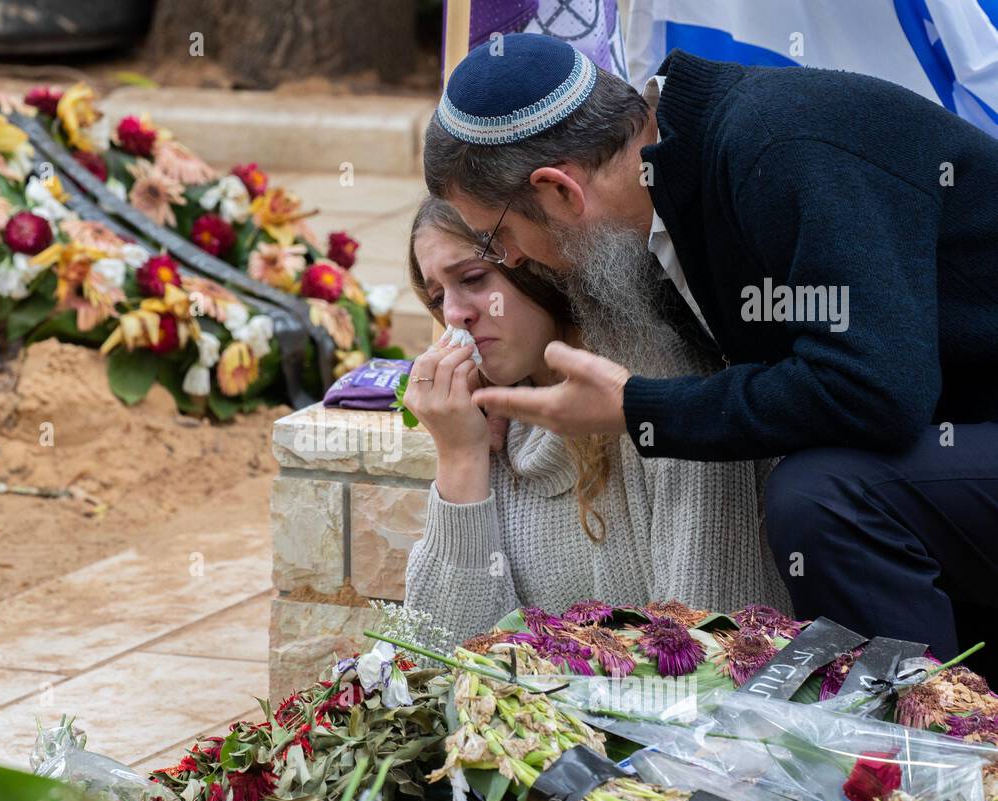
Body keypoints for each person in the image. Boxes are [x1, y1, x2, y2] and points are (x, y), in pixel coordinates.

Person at [421, 33, 998, 663]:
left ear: (560, 189)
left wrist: (638, 408)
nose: (515, 259)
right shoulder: (668, 195)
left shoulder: (780, 143)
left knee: (825, 495)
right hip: (965, 448)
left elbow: (875, 390)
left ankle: (919, 747)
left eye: (498, 238)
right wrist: (503, 381)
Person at [402, 195, 789, 643]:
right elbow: (437, 657)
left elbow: (710, 652)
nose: (454, 314)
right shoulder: (484, 423)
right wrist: (461, 458)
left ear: (534, 261)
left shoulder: (662, 396)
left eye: (472, 277)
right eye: (437, 297)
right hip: (537, 712)